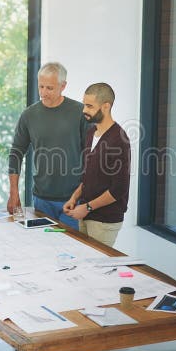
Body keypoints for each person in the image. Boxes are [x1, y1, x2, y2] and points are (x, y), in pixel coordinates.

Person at [7, 62, 88, 229]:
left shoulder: (79, 112)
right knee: (43, 249)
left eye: (49, 88)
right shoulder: (29, 115)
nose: (43, 93)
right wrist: (14, 192)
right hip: (42, 199)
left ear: (63, 86)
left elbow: (92, 157)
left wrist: (83, 197)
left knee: (71, 249)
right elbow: (16, 153)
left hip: (74, 200)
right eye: (41, 86)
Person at [63, 83, 131, 247]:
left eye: (90, 106)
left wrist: (87, 207)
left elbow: (118, 189)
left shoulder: (119, 140)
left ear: (106, 106)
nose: (84, 110)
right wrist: (74, 198)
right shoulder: (90, 133)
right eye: (84, 104)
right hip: (87, 215)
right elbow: (89, 177)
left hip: (104, 221)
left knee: (96, 269)